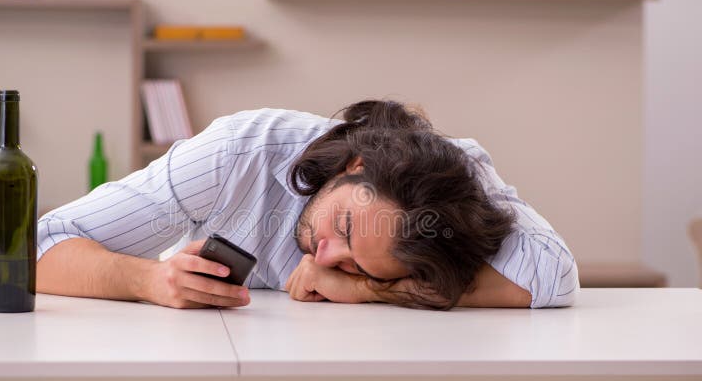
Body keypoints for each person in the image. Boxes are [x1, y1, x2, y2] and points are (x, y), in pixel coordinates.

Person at [36, 100, 578, 310]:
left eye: (355, 260)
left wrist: (367, 289)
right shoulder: (238, 152)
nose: (326, 252)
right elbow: (34, 248)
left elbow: (553, 274)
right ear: (354, 166)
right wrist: (147, 281)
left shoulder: (458, 181)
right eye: (343, 224)